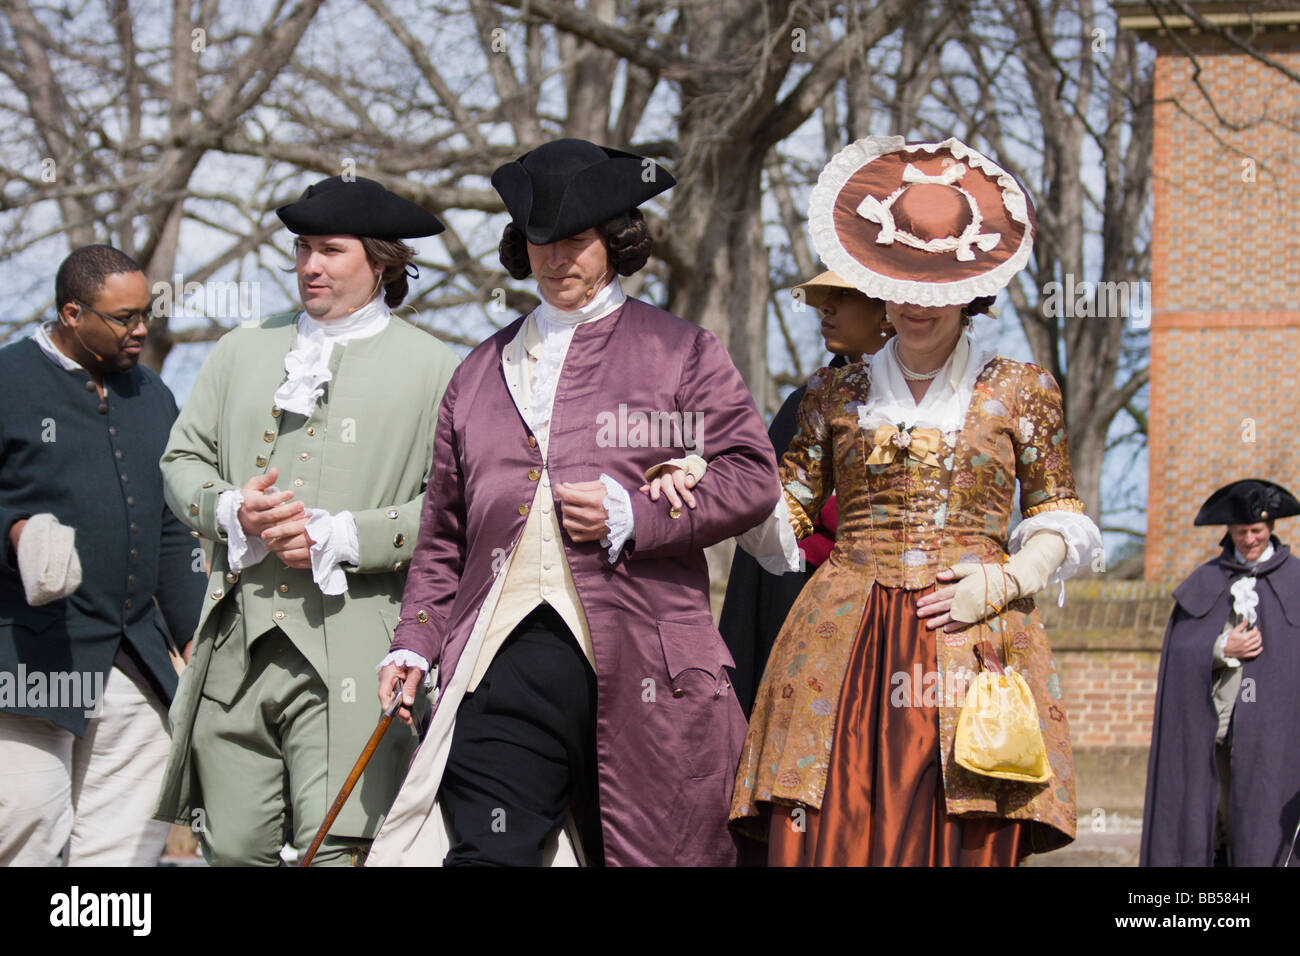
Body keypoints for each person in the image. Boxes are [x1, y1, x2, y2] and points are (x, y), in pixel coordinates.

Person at [366, 138, 779, 867]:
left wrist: (636, 516)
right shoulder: (476, 371)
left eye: (577, 242)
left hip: (651, 667)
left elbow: (751, 474)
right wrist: (414, 640)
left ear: (615, 243)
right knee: (490, 856)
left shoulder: (680, 351)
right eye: (541, 242)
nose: (557, 260)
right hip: (503, 666)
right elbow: (443, 536)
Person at [729, 136, 1102, 865]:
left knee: (959, 829)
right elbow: (785, 523)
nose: (920, 306)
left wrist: (1009, 579)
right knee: (830, 827)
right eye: (904, 285)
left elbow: (1059, 512)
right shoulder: (834, 393)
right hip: (843, 646)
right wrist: (717, 486)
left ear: (971, 288)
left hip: (972, 639)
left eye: (938, 290)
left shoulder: (1022, 390)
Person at [153, 177, 460, 866]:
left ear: (380, 262)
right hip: (238, 645)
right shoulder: (239, 351)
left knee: (340, 850)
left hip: (358, 649)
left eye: (330, 250)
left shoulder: (438, 369)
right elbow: (182, 461)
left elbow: (451, 509)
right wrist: (232, 507)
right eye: (301, 249)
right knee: (229, 849)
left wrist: (344, 536)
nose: (310, 266)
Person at [0, 245, 205, 865]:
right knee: (26, 823)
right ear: (71, 312)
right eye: (123, 317)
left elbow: (172, 525)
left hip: (134, 653)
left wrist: (195, 637)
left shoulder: (154, 395)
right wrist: (16, 534)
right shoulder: (7, 382)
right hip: (27, 652)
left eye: (146, 313)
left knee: (130, 842)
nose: (141, 328)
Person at [720, 272, 890, 716]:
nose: (824, 307)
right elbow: (762, 562)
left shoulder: (954, 408)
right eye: (823, 296)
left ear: (888, 308)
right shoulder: (804, 406)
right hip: (802, 613)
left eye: (844, 294)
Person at [1141, 478, 1300, 866]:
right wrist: (1220, 647)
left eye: (1258, 531)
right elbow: (1179, 653)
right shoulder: (1207, 580)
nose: (1250, 540)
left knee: (1263, 826)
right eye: (1243, 532)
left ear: (1272, 528)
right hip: (1216, 731)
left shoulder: (1296, 580)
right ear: (1229, 531)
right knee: (1217, 823)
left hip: (1278, 735)